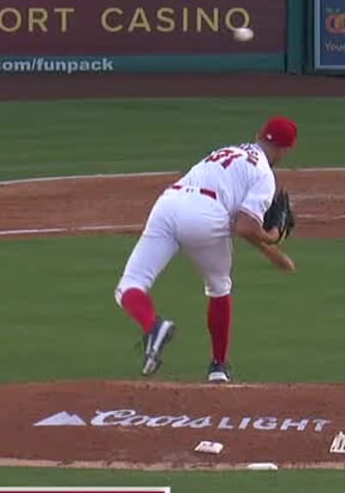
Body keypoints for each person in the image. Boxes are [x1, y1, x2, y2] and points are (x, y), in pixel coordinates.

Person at [114, 116, 299, 384]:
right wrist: (272, 237)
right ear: (285, 150)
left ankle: (152, 325)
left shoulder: (227, 151)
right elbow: (245, 227)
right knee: (218, 288)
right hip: (206, 215)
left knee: (129, 285)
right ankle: (218, 367)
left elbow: (240, 225)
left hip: (169, 203)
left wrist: (274, 256)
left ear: (259, 134)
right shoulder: (263, 175)